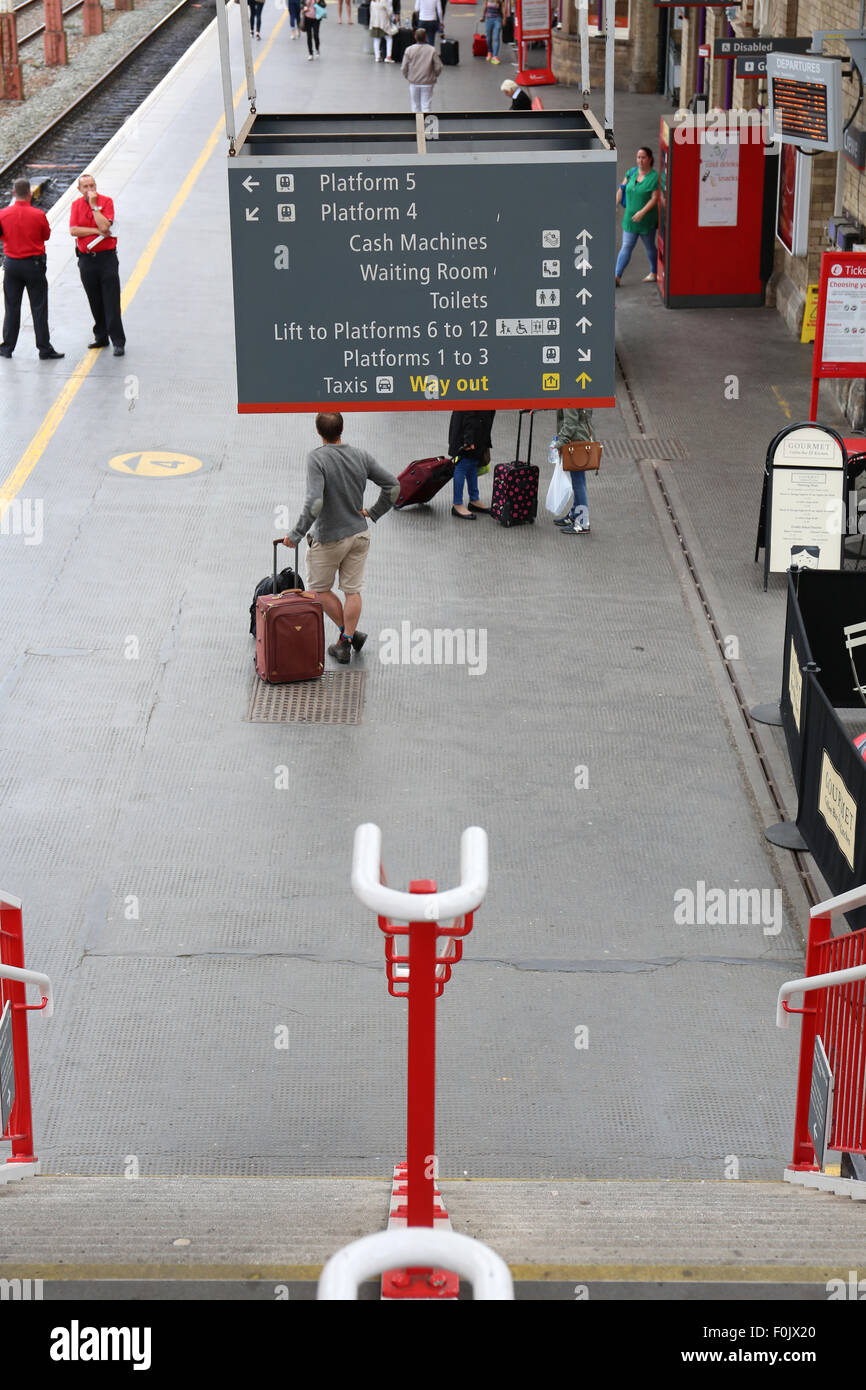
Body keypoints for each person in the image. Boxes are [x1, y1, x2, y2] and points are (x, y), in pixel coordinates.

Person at [282, 412, 399, 663]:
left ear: (318, 432)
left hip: (329, 539)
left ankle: (347, 639)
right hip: (359, 534)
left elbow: (315, 502)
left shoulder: (316, 459)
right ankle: (348, 639)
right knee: (353, 591)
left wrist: (296, 534)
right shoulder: (360, 456)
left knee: (320, 590)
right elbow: (394, 485)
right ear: (342, 429)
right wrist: (373, 511)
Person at [0, 179, 63, 360]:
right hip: (33, 266)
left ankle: (7, 348)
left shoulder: (2, 214)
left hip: (11, 265)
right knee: (39, 307)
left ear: (14, 194)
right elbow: (46, 236)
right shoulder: (38, 214)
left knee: (11, 307)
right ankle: (44, 349)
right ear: (29, 194)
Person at [69, 172, 126, 357]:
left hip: (106, 259)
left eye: (92, 185)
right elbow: (74, 230)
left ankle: (118, 340)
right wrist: (94, 230)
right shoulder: (76, 205)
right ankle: (101, 336)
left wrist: (95, 207)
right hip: (86, 260)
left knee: (111, 300)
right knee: (95, 300)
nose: (90, 189)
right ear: (79, 189)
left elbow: (105, 227)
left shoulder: (106, 202)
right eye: (85, 187)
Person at [615, 146, 660, 285]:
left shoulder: (654, 177)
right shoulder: (631, 172)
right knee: (626, 246)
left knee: (650, 247)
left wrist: (642, 212)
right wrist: (615, 204)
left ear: (650, 159)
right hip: (630, 219)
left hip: (646, 220)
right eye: (638, 157)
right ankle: (617, 276)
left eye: (643, 157)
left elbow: (654, 198)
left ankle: (654, 272)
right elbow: (621, 189)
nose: (640, 160)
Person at [553, 407, 594, 536]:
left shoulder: (571, 397)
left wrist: (560, 443)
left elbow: (570, 423)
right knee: (579, 480)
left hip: (576, 442)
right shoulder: (581, 391)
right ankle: (576, 513)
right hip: (581, 439)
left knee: (578, 482)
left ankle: (582, 522)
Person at [448, 411, 495, 520]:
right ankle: (457, 504)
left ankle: (474, 500)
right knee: (463, 464)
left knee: (473, 464)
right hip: (468, 432)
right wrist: (468, 439)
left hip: (478, 429)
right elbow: (469, 411)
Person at [401, 27, 442, 111]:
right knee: (426, 105)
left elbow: (404, 67)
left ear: (415, 37)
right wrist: (434, 75)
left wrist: (408, 76)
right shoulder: (431, 50)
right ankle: (425, 122)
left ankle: (416, 122)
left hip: (414, 81)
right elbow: (439, 66)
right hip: (428, 81)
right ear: (425, 37)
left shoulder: (409, 50)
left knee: (415, 105)